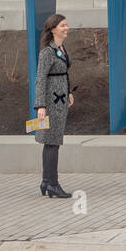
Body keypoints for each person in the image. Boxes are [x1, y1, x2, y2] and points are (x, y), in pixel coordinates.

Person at [34, 13, 75, 199]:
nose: (66, 28)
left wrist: (70, 92)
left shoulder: (62, 49)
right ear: (53, 29)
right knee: (52, 142)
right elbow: (40, 79)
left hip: (60, 101)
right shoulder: (47, 53)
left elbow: (64, 73)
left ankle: (46, 180)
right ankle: (52, 183)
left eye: (66, 25)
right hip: (51, 103)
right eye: (62, 25)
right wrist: (40, 105)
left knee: (53, 142)